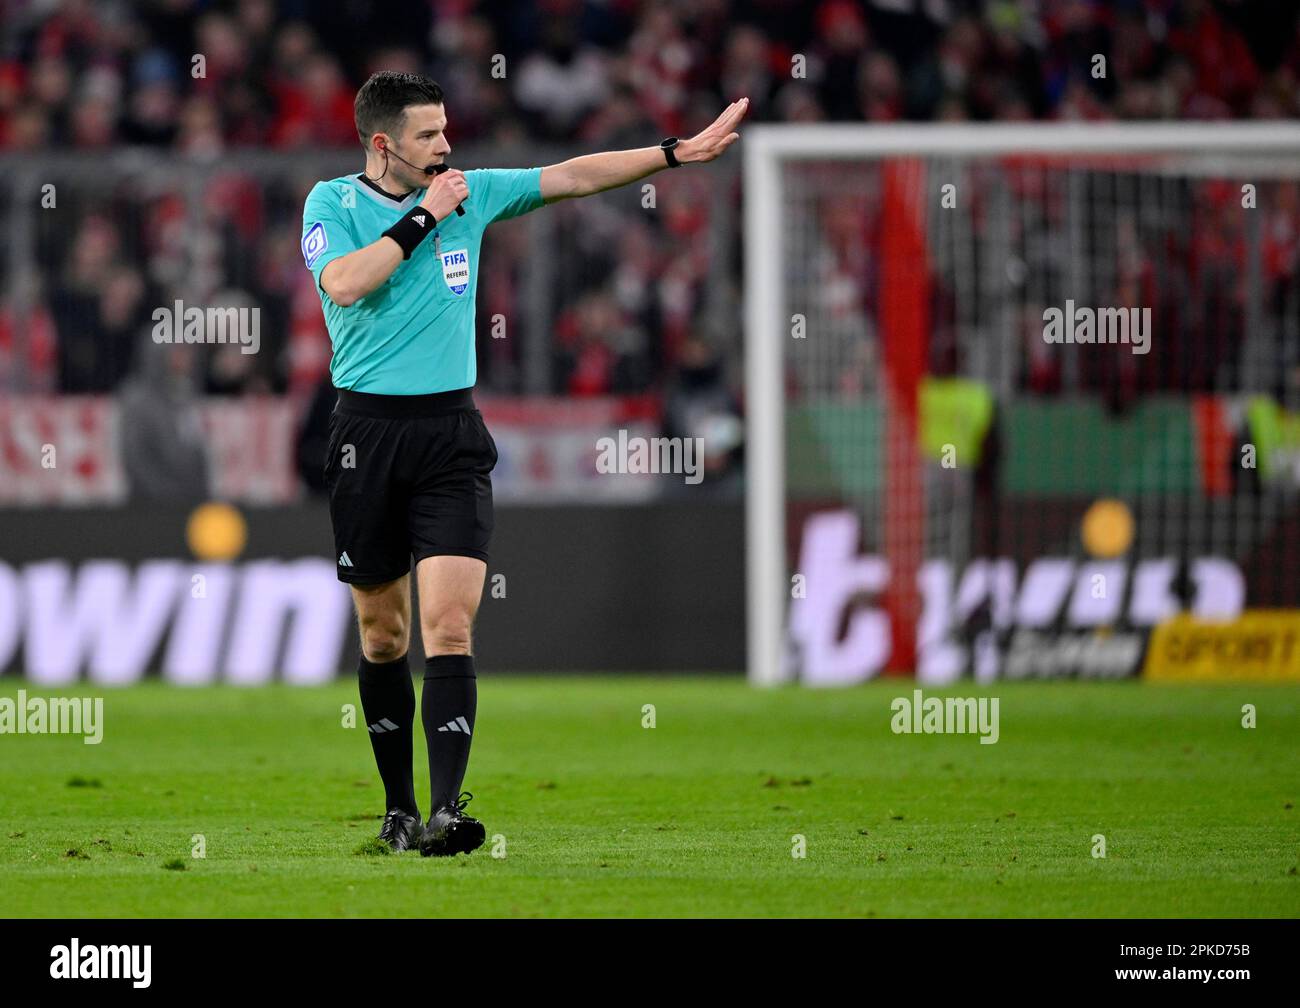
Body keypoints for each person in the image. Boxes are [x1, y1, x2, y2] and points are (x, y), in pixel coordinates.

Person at [302, 71, 746, 856]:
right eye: (428, 135)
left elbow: (572, 176)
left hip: (451, 435)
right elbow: (345, 283)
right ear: (382, 145)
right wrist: (419, 220)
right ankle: (398, 808)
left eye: (446, 129)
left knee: (446, 623)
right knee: (382, 634)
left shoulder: (471, 192)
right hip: (365, 437)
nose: (447, 145)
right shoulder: (332, 205)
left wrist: (674, 153)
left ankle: (445, 811)